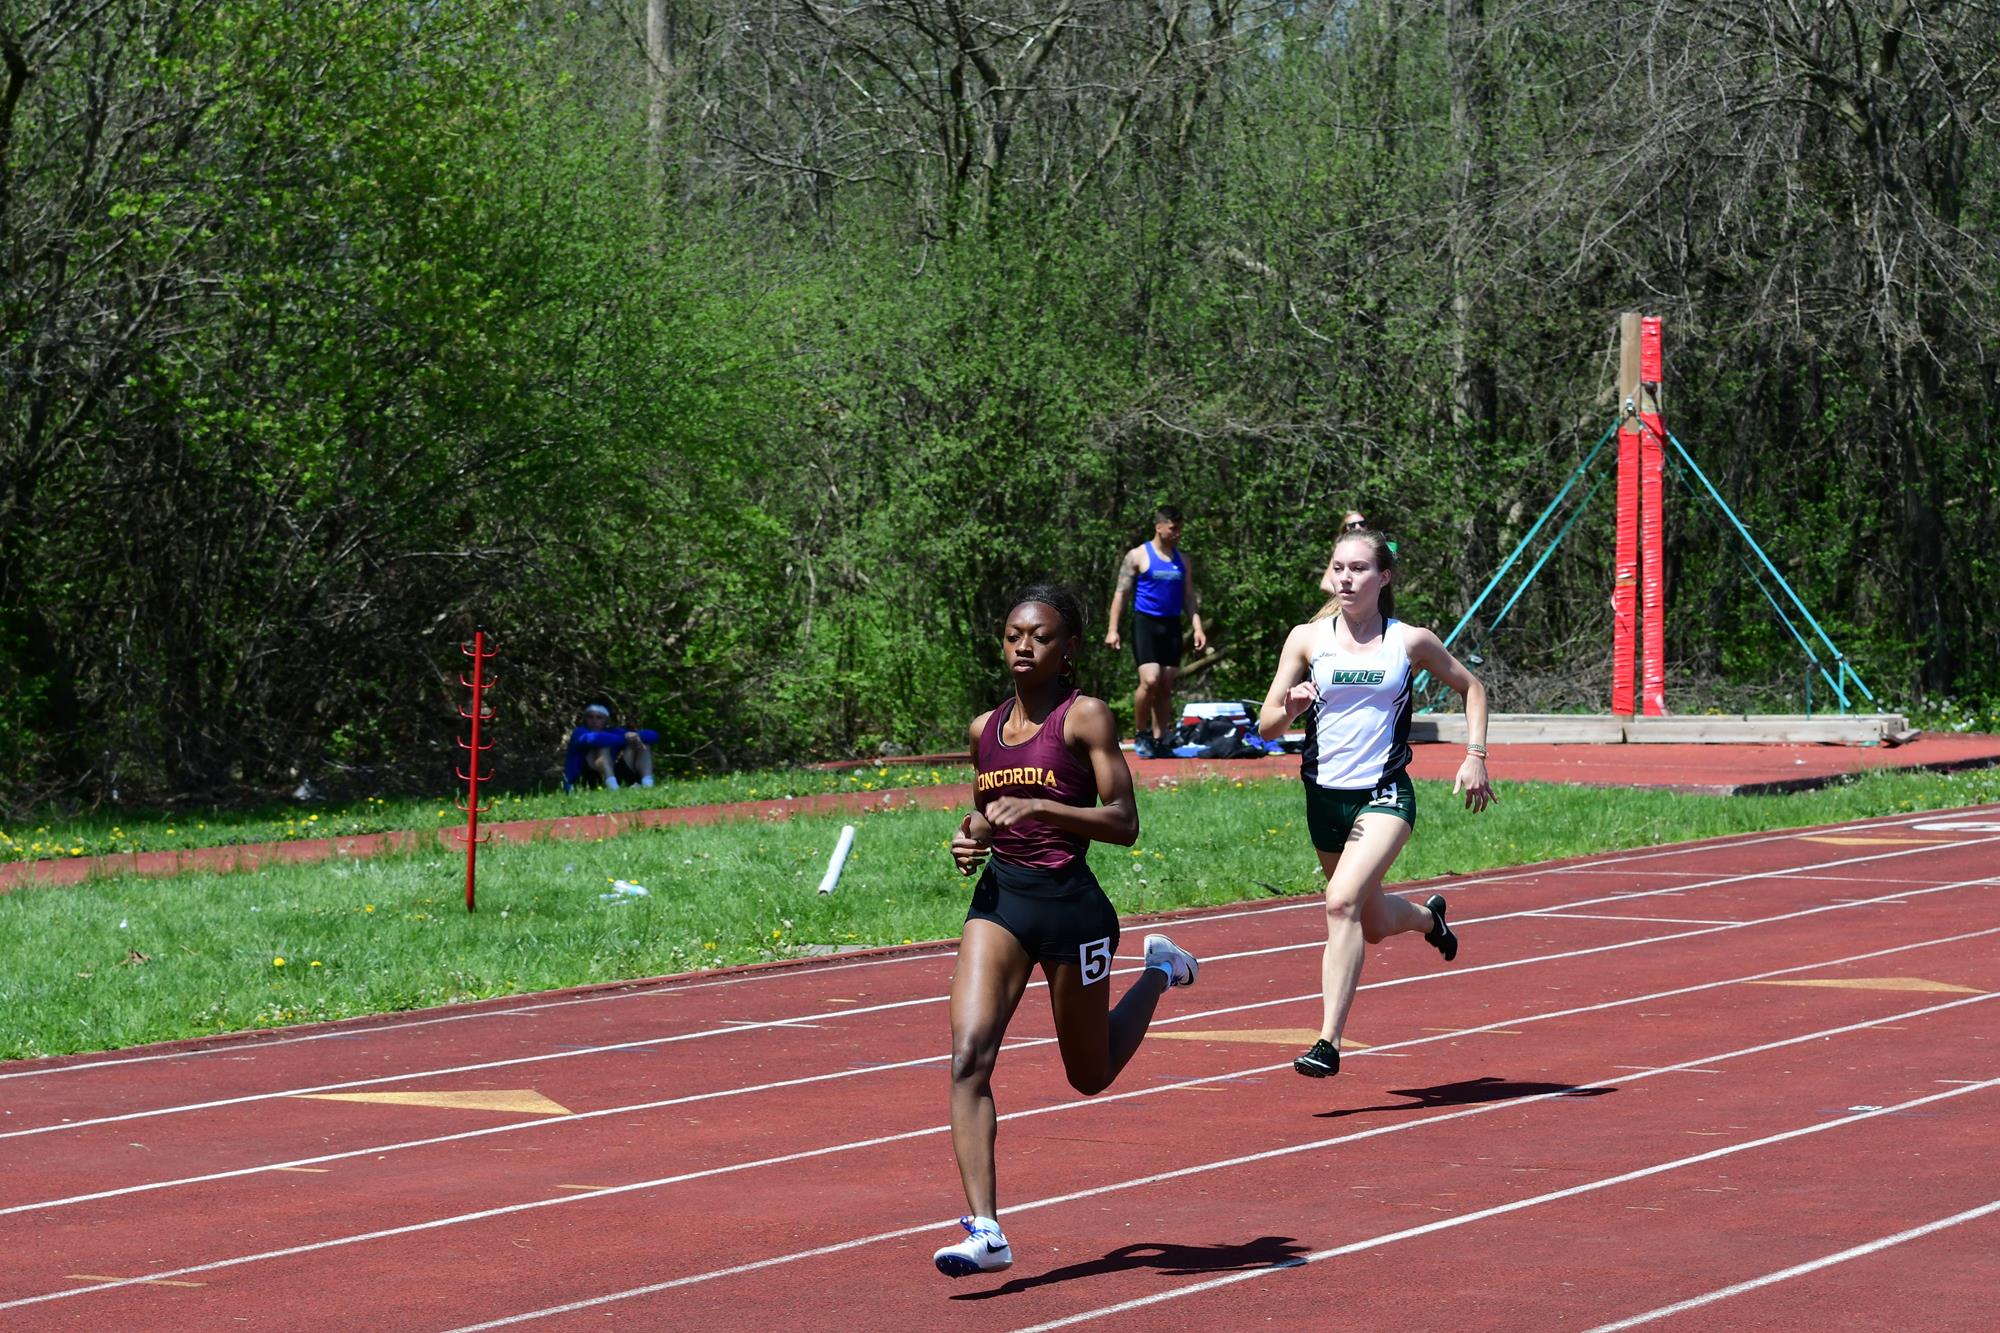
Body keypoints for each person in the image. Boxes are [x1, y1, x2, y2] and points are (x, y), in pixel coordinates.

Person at [934, 584, 1200, 1278]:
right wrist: (969, 838)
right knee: (968, 1058)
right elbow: (987, 814)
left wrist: (1045, 808)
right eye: (1014, 635)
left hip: (1072, 911)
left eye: (1041, 636)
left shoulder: (1085, 717)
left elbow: (1124, 821)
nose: (1024, 646)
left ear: (1070, 646)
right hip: (1002, 904)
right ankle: (986, 1229)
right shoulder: (983, 729)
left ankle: (1159, 970)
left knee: (1089, 1074)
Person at [1258, 526, 1492, 1080]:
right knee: (1372, 921)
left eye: (1359, 569)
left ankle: (1327, 1042)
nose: (1346, 578)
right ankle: (1429, 919)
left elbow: (1473, 688)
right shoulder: (1306, 639)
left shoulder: (1409, 641)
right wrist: (1290, 708)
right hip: (1323, 797)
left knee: (1340, 902)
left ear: (1383, 577)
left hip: (1385, 794)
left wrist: (1475, 755)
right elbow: (1266, 726)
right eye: (1338, 567)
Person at [1104, 505, 1207, 758]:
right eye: (1173, 528)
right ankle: (1142, 733)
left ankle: (1161, 738)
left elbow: (1189, 597)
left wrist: (1197, 627)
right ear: (1159, 527)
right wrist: (1112, 629)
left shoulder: (1183, 561)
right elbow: (1121, 594)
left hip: (1171, 625)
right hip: (1146, 623)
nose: (1178, 533)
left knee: (1166, 684)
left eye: (1180, 528)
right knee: (1150, 681)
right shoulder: (1137, 556)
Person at [561, 701, 655, 793]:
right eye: (590, 717)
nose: (594, 721)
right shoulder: (579, 732)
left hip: (607, 776)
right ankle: (613, 788)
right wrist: (625, 738)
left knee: (642, 744)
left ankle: (647, 784)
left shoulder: (612, 731)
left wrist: (634, 736)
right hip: (583, 781)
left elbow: (653, 736)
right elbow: (593, 739)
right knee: (603, 746)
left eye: (599, 717)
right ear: (585, 719)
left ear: (606, 720)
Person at [1319, 509, 1396, 594]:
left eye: (1362, 523)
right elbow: (1325, 584)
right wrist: (1350, 595)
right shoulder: (1342, 551)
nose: (1358, 527)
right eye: (1352, 525)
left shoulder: (1377, 547)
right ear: (1346, 529)